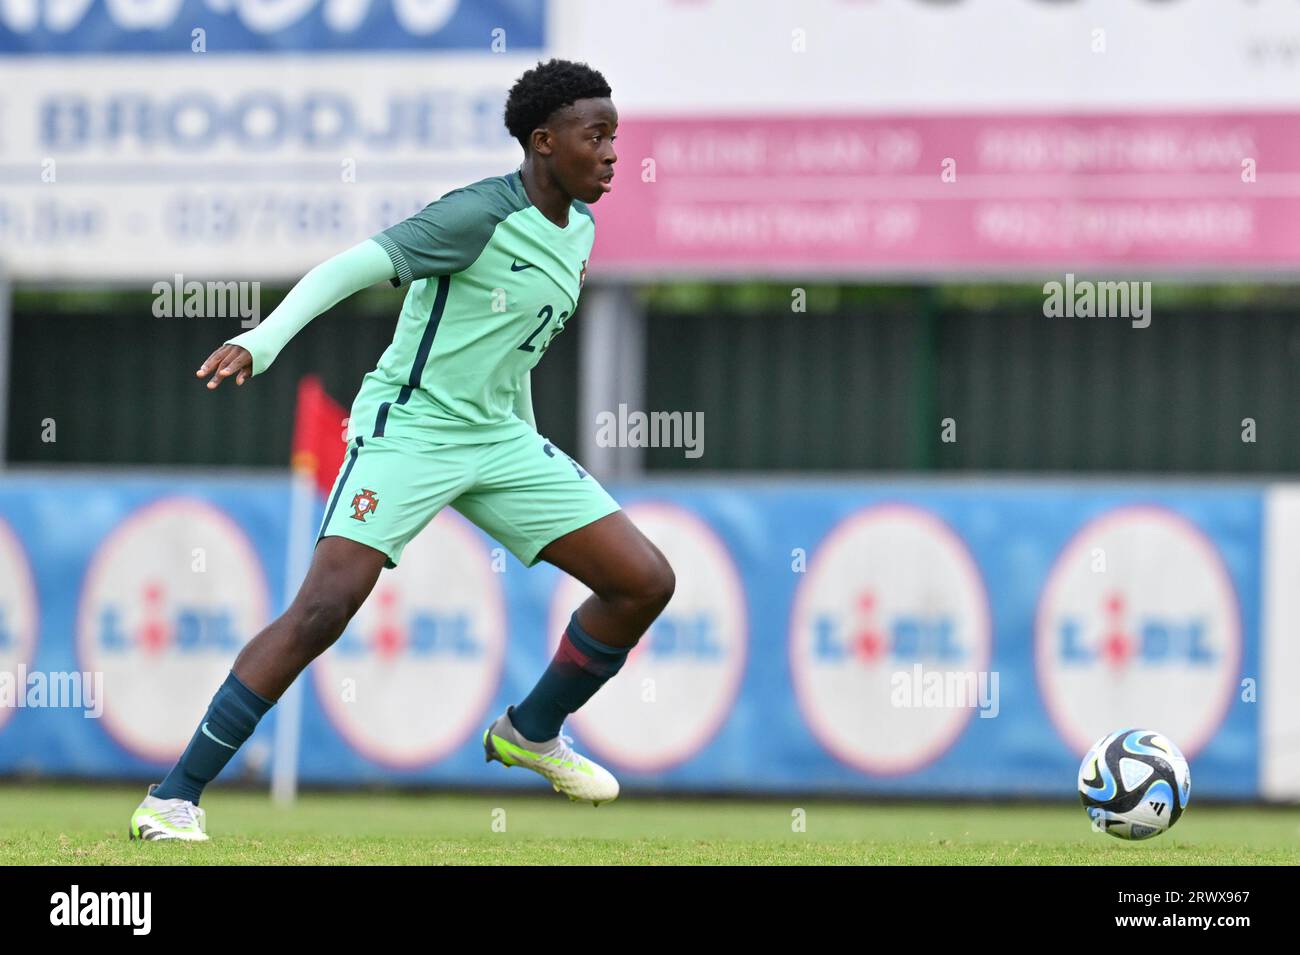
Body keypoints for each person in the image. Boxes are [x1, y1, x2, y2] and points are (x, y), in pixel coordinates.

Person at [129, 59, 675, 841]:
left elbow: (510, 352)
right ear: (544, 142)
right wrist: (265, 339)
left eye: (617, 136)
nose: (615, 153)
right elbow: (354, 264)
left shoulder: (580, 229)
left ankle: (531, 729)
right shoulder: (476, 216)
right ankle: (173, 796)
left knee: (644, 579)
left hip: (497, 437)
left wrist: (521, 435)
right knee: (323, 609)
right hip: (409, 430)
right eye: (598, 136)